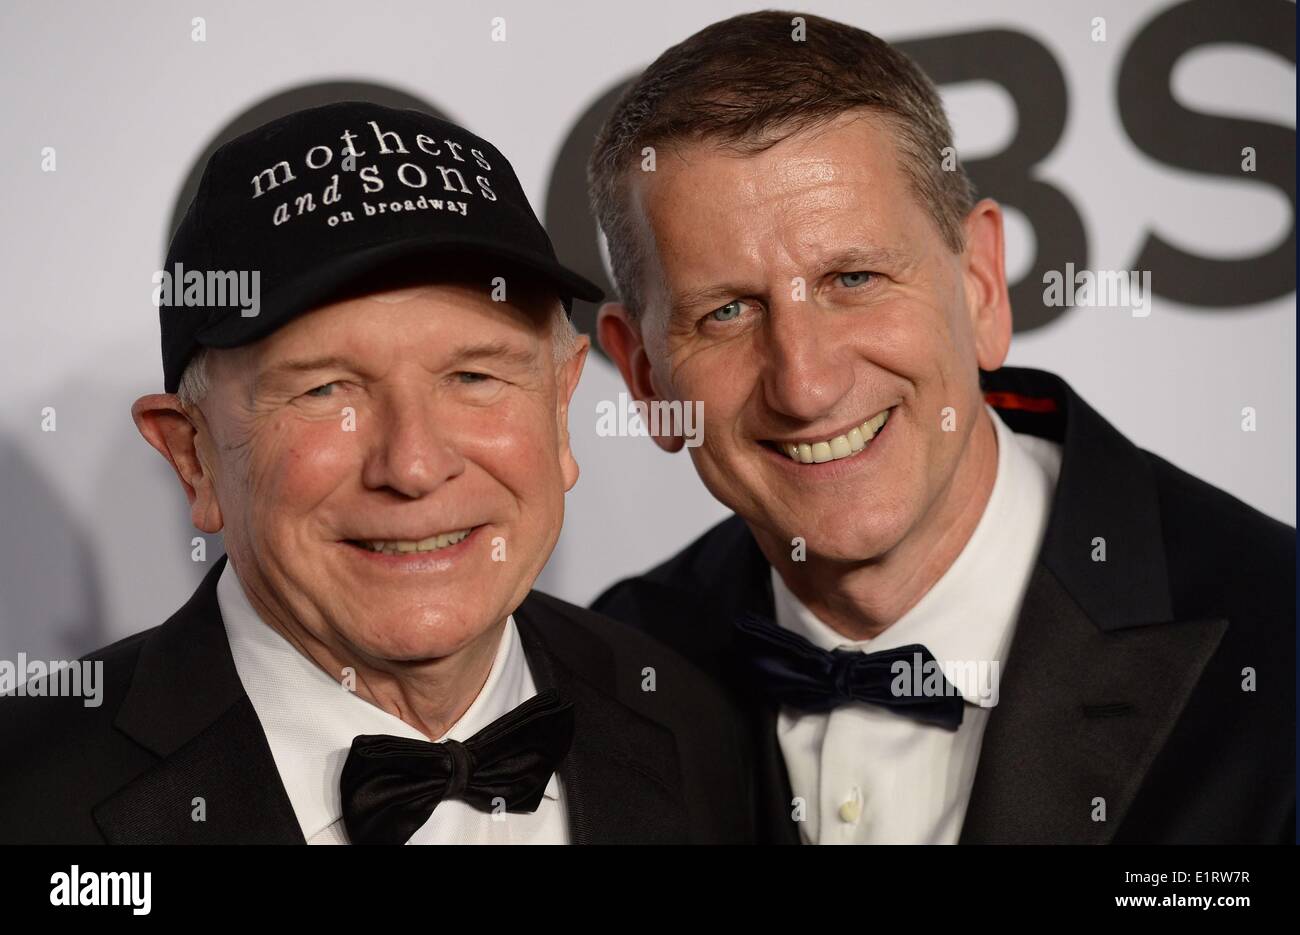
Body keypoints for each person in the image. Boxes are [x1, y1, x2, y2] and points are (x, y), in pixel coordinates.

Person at [588, 11, 1295, 844]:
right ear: (641, 374)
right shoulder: (611, 678)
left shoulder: (1280, 643)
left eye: (854, 277)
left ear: (981, 286)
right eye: (728, 311)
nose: (807, 384)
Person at [0, 101, 754, 845]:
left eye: (474, 376)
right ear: (193, 455)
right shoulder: (23, 794)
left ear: (560, 410)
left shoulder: (692, 722)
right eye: (325, 388)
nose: (415, 465)